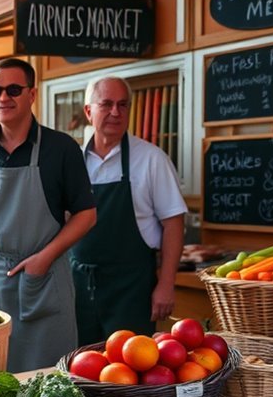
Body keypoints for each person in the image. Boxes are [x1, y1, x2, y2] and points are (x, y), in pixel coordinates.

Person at [0, 58, 97, 372]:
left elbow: (86, 214)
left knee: (49, 378)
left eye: (13, 90)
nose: (3, 98)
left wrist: (45, 257)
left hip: (45, 279)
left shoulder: (61, 148)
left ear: (32, 94)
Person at [71, 76, 187, 345]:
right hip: (78, 285)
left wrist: (166, 284)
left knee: (131, 363)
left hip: (132, 288)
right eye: (107, 104)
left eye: (123, 105)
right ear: (88, 111)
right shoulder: (73, 161)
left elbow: (174, 223)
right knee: (80, 362)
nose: (116, 112)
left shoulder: (152, 159)